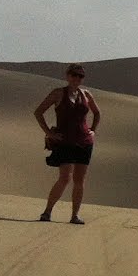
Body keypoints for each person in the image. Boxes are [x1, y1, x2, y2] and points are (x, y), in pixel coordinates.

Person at [34, 63, 101, 223]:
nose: (77, 78)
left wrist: (93, 130)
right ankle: (47, 212)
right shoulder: (58, 93)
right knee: (64, 178)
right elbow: (38, 112)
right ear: (67, 76)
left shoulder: (86, 94)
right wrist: (49, 133)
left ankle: (75, 215)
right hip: (65, 141)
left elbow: (97, 113)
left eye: (80, 76)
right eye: (74, 74)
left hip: (84, 141)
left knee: (80, 180)